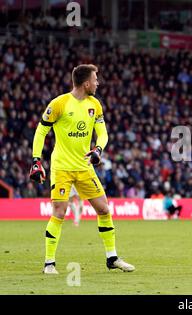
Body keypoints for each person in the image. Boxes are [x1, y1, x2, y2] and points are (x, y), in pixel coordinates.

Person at [29, 64, 135, 274]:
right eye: (95, 79)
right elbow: (41, 131)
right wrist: (36, 161)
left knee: (104, 209)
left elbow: (103, 134)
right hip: (62, 168)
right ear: (86, 83)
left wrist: (98, 150)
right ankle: (49, 263)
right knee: (59, 212)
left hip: (84, 167)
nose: (98, 83)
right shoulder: (59, 103)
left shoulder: (95, 105)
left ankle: (112, 258)